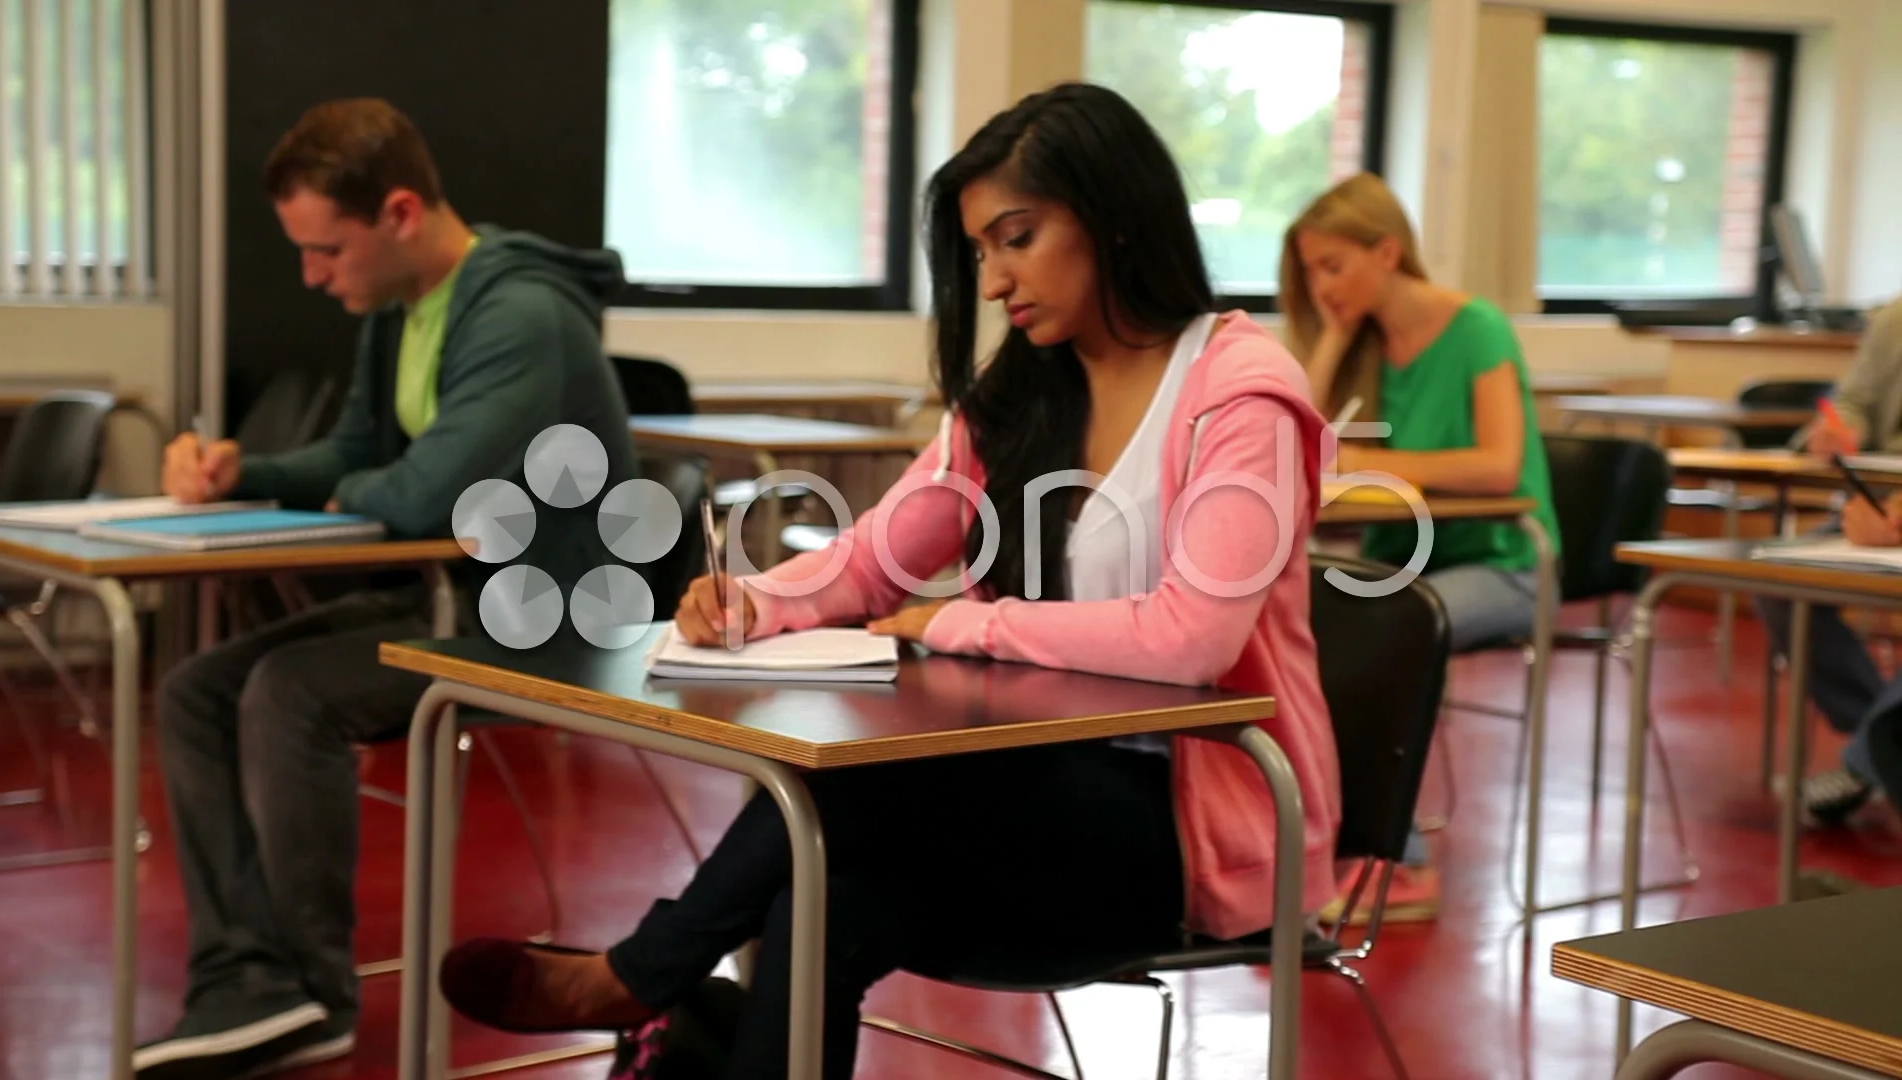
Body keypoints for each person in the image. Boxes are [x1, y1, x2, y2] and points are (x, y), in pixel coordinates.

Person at [436, 82, 1342, 1080]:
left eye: (1018, 238)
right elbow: (877, 558)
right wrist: (760, 601)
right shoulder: (1022, 395)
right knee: (820, 900)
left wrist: (965, 624)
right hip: (1030, 796)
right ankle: (649, 973)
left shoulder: (1240, 390)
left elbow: (1191, 638)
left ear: (1114, 216)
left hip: (1191, 825)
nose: (994, 282)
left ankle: (640, 973)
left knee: (870, 777)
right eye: (981, 252)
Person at [141, 98, 636, 1078]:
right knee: (198, 689)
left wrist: (363, 488)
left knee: (292, 692)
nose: (312, 275)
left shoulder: (523, 316)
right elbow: (362, 456)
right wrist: (248, 472)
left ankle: (313, 995)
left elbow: (423, 493)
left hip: (553, 621)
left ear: (400, 213)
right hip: (453, 597)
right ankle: (247, 977)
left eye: (326, 250)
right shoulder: (403, 308)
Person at [1280, 172, 1562, 923]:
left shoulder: (1479, 329)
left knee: (1379, 638)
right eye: (1310, 272)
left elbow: (1499, 466)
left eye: (1333, 266)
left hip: (1504, 562)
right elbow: (1293, 440)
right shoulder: (1367, 342)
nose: (1321, 287)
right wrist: (1334, 337)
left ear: (1387, 252)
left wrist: (1374, 463)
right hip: (1405, 563)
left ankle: (1400, 863)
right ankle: (1328, 842)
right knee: (1295, 623)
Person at [1757, 296, 1902, 825]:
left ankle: (1868, 760)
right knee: (1779, 581)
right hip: (1875, 507)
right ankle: (1876, 747)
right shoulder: (1894, 320)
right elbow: (1854, 401)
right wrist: (1840, 431)